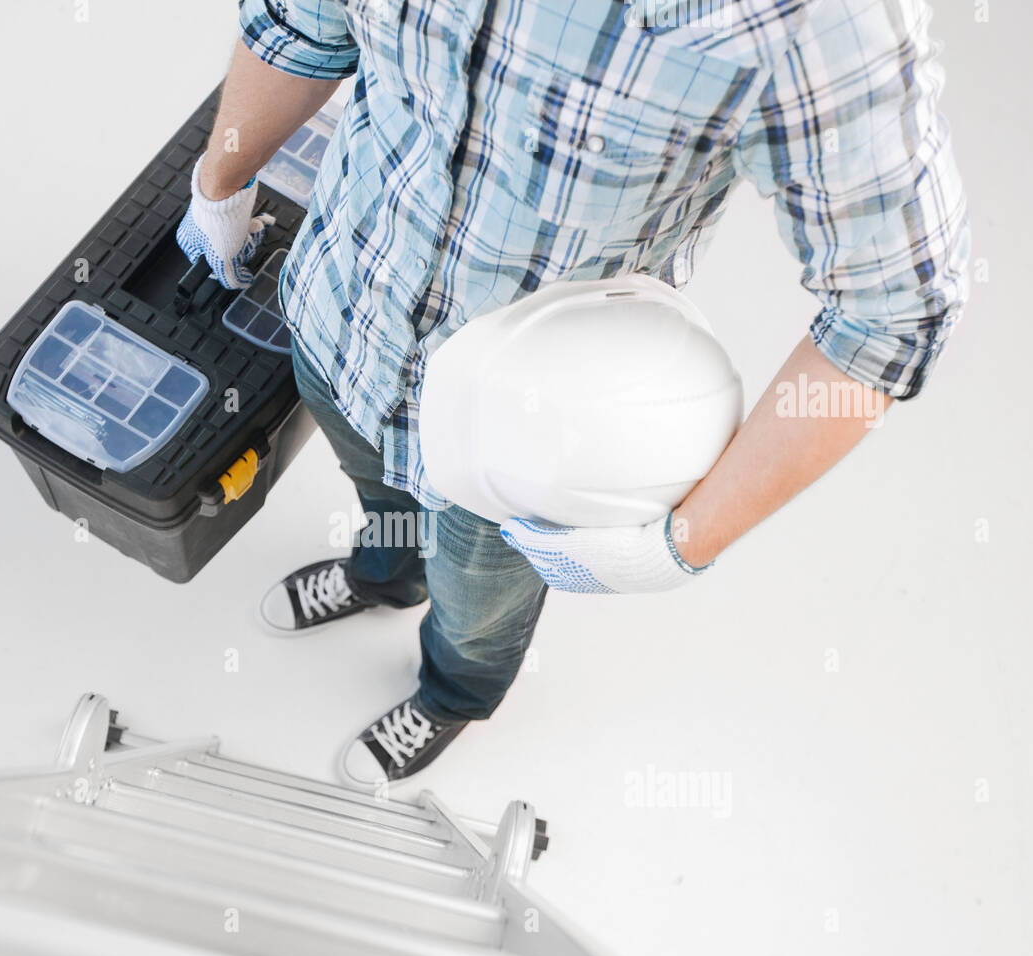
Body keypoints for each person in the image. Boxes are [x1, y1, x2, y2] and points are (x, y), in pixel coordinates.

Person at [177, 0, 969, 788]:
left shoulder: (812, 18)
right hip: (342, 318)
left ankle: (454, 693)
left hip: (527, 442)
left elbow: (893, 309)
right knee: (379, 495)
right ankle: (386, 575)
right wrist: (221, 183)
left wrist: (683, 541)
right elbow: (299, 25)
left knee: (479, 606)